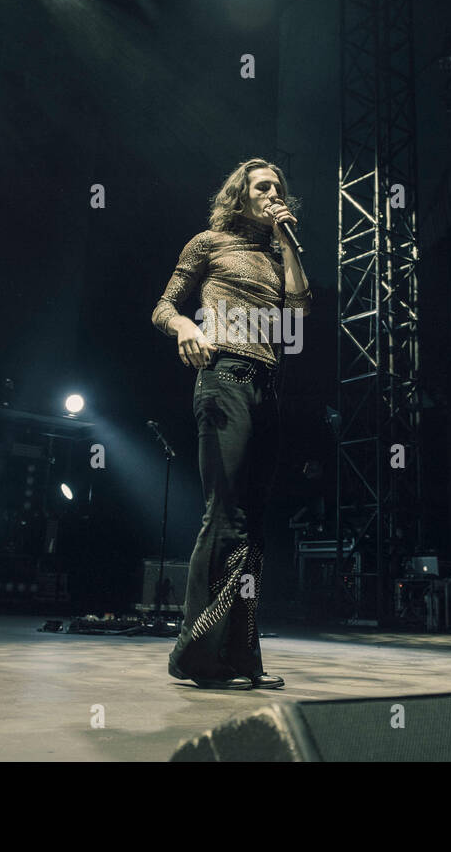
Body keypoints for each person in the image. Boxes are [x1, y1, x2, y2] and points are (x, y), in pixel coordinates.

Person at [154, 158, 311, 690]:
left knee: (255, 527)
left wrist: (287, 240)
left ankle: (241, 657)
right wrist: (183, 328)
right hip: (224, 375)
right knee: (225, 516)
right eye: (262, 187)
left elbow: (300, 314)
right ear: (239, 195)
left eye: (278, 188)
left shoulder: (278, 251)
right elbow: (163, 306)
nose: (272, 194)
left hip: (268, 385)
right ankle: (195, 653)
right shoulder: (208, 243)